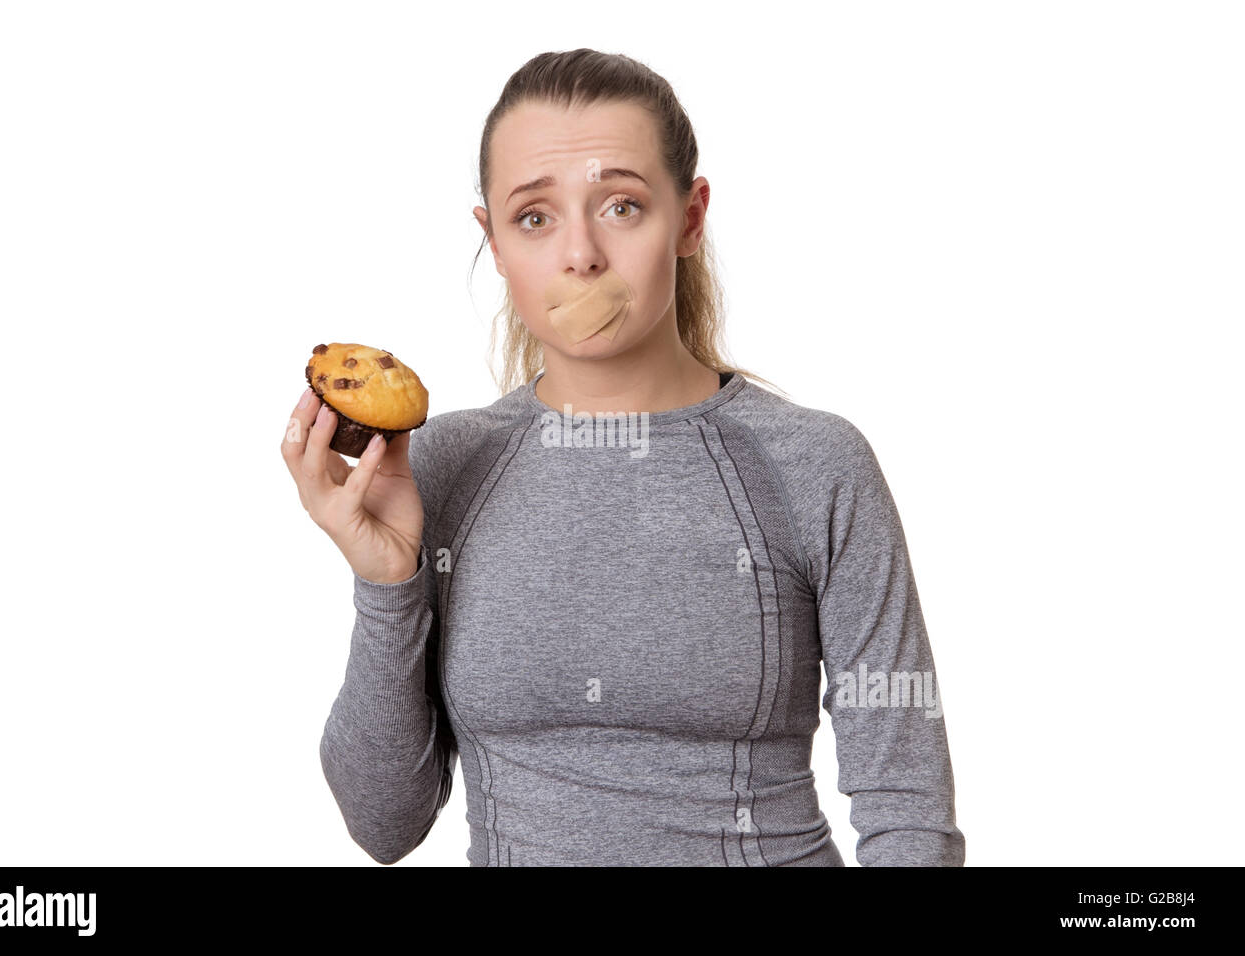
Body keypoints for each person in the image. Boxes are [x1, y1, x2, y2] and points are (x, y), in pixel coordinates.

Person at [282, 49, 965, 866]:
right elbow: (382, 825)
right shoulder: (440, 468)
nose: (581, 256)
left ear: (690, 217)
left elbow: (908, 813)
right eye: (535, 217)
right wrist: (386, 584)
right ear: (493, 242)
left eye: (621, 206)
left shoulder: (815, 464)